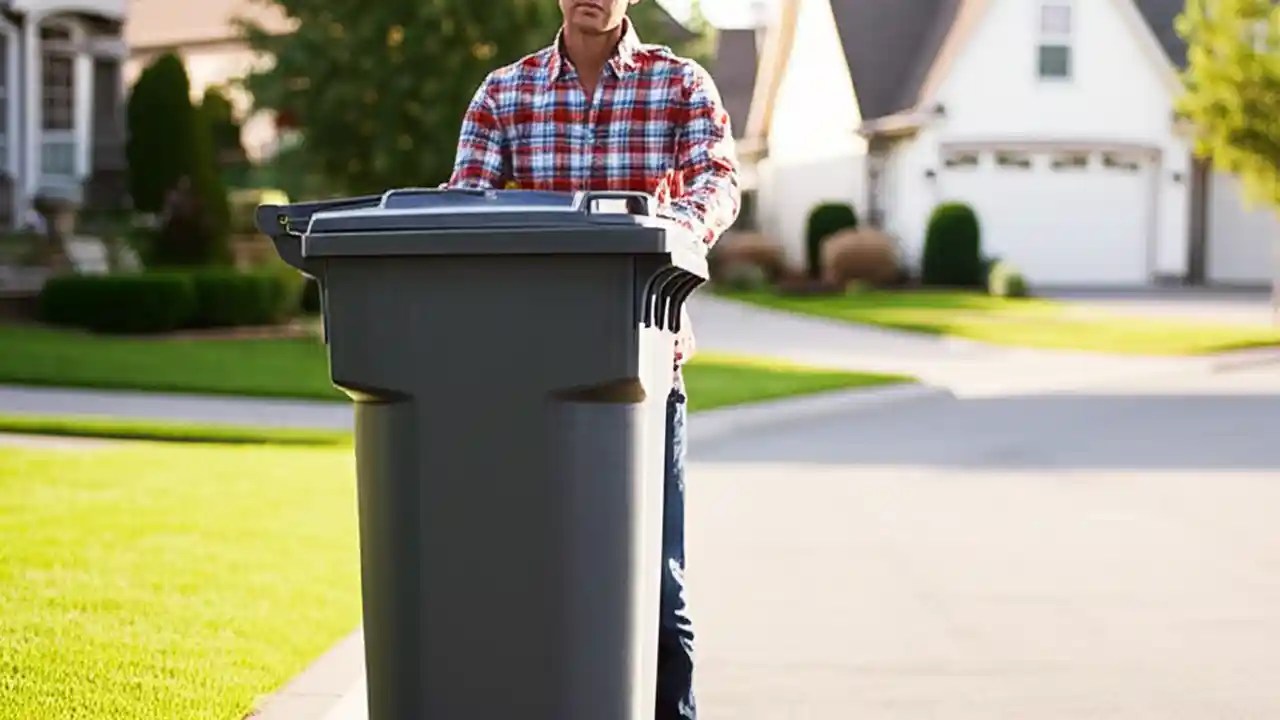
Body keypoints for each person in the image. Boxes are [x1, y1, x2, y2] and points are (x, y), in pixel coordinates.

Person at [446, 2, 741, 718]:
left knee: (658, 590)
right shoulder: (504, 94)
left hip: (643, 377)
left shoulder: (679, 85)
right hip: (528, 380)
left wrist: (664, 226)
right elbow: (465, 209)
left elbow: (719, 181)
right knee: (532, 576)